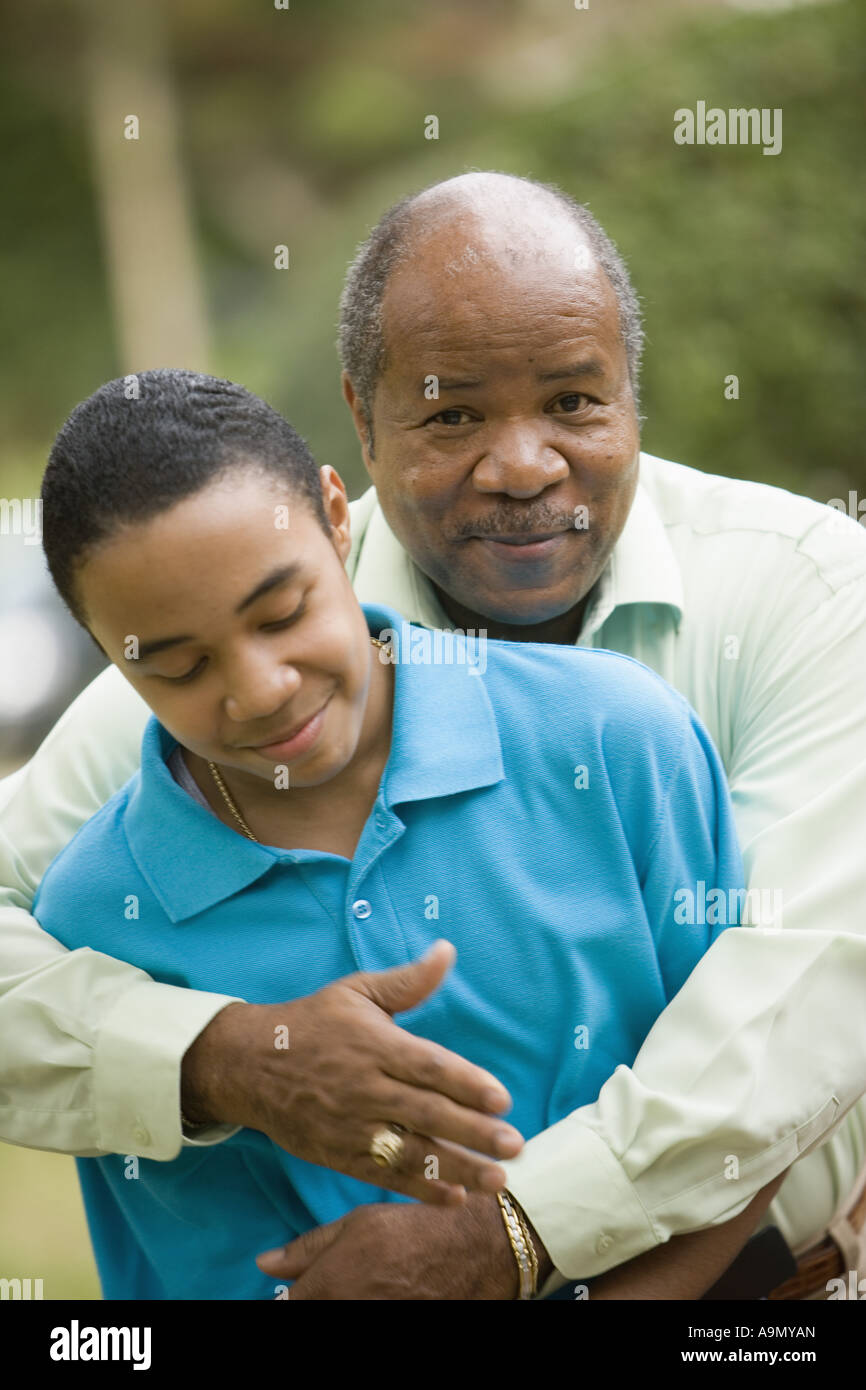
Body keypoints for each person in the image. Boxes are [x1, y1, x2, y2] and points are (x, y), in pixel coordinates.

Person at [2, 171, 865, 1300]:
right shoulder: (228, 655)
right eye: (450, 413)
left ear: (630, 396)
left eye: (572, 402)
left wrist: (506, 1237)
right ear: (361, 426)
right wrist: (221, 1055)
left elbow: (796, 1010)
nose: (521, 465)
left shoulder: (806, 595)